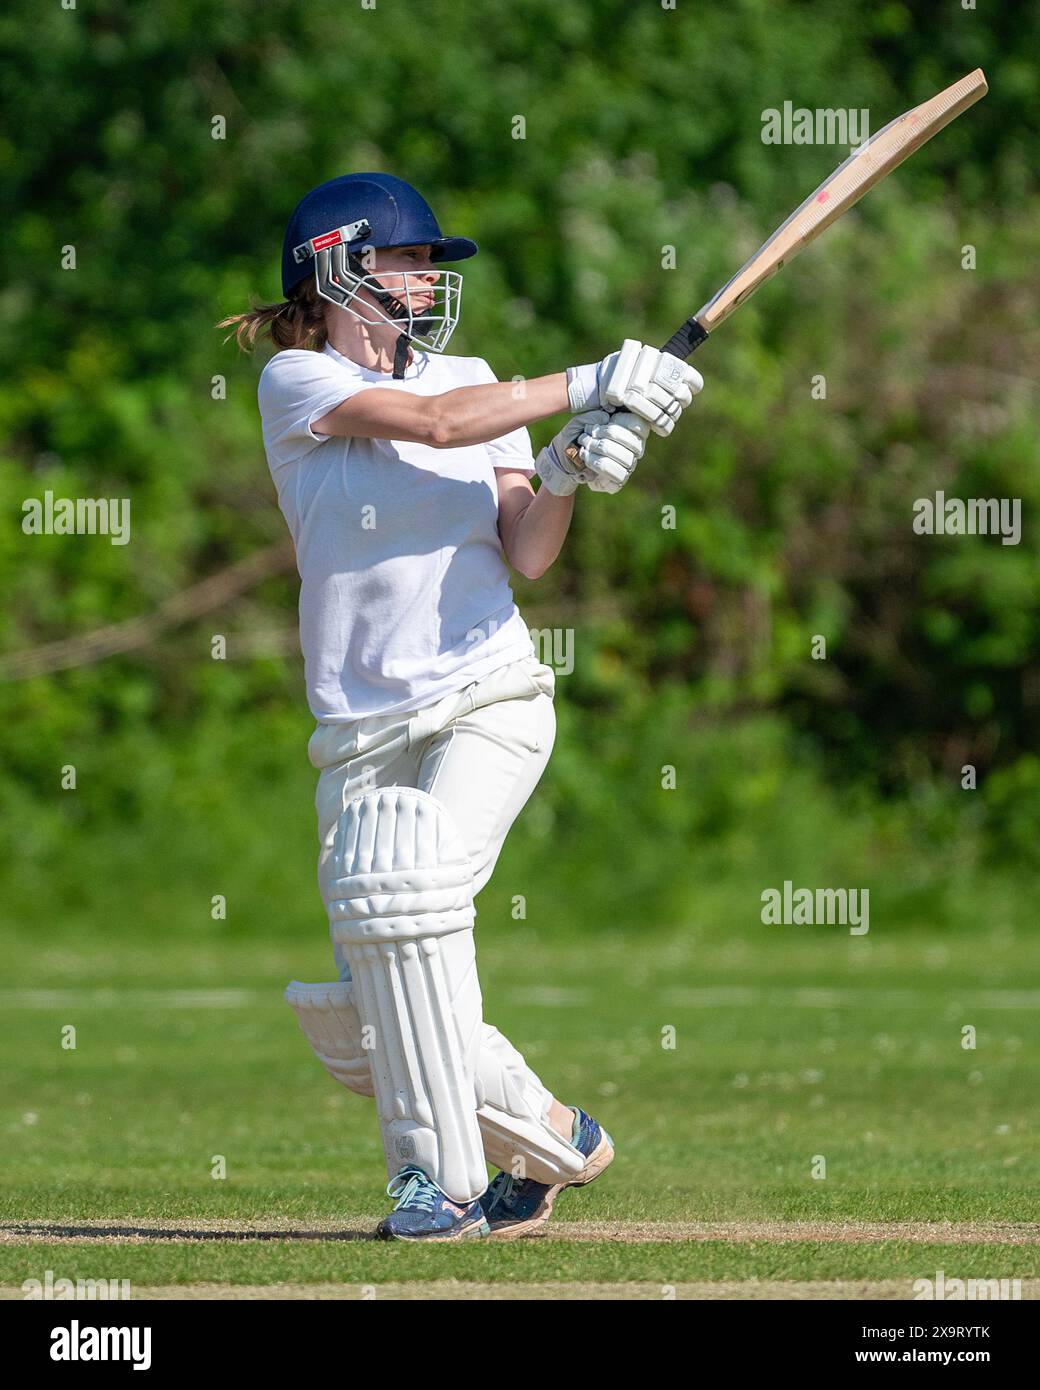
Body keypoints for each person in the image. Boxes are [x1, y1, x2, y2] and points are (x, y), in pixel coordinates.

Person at [220, 172, 702, 1242]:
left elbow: (524, 551)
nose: (430, 281)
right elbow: (437, 423)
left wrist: (567, 470)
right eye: (410, 261)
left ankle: (429, 1189)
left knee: (408, 892)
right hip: (355, 732)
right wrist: (585, 380)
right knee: (363, 1018)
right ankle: (548, 1136)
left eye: (432, 265)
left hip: (488, 697)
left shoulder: (481, 381)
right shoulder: (297, 382)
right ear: (338, 267)